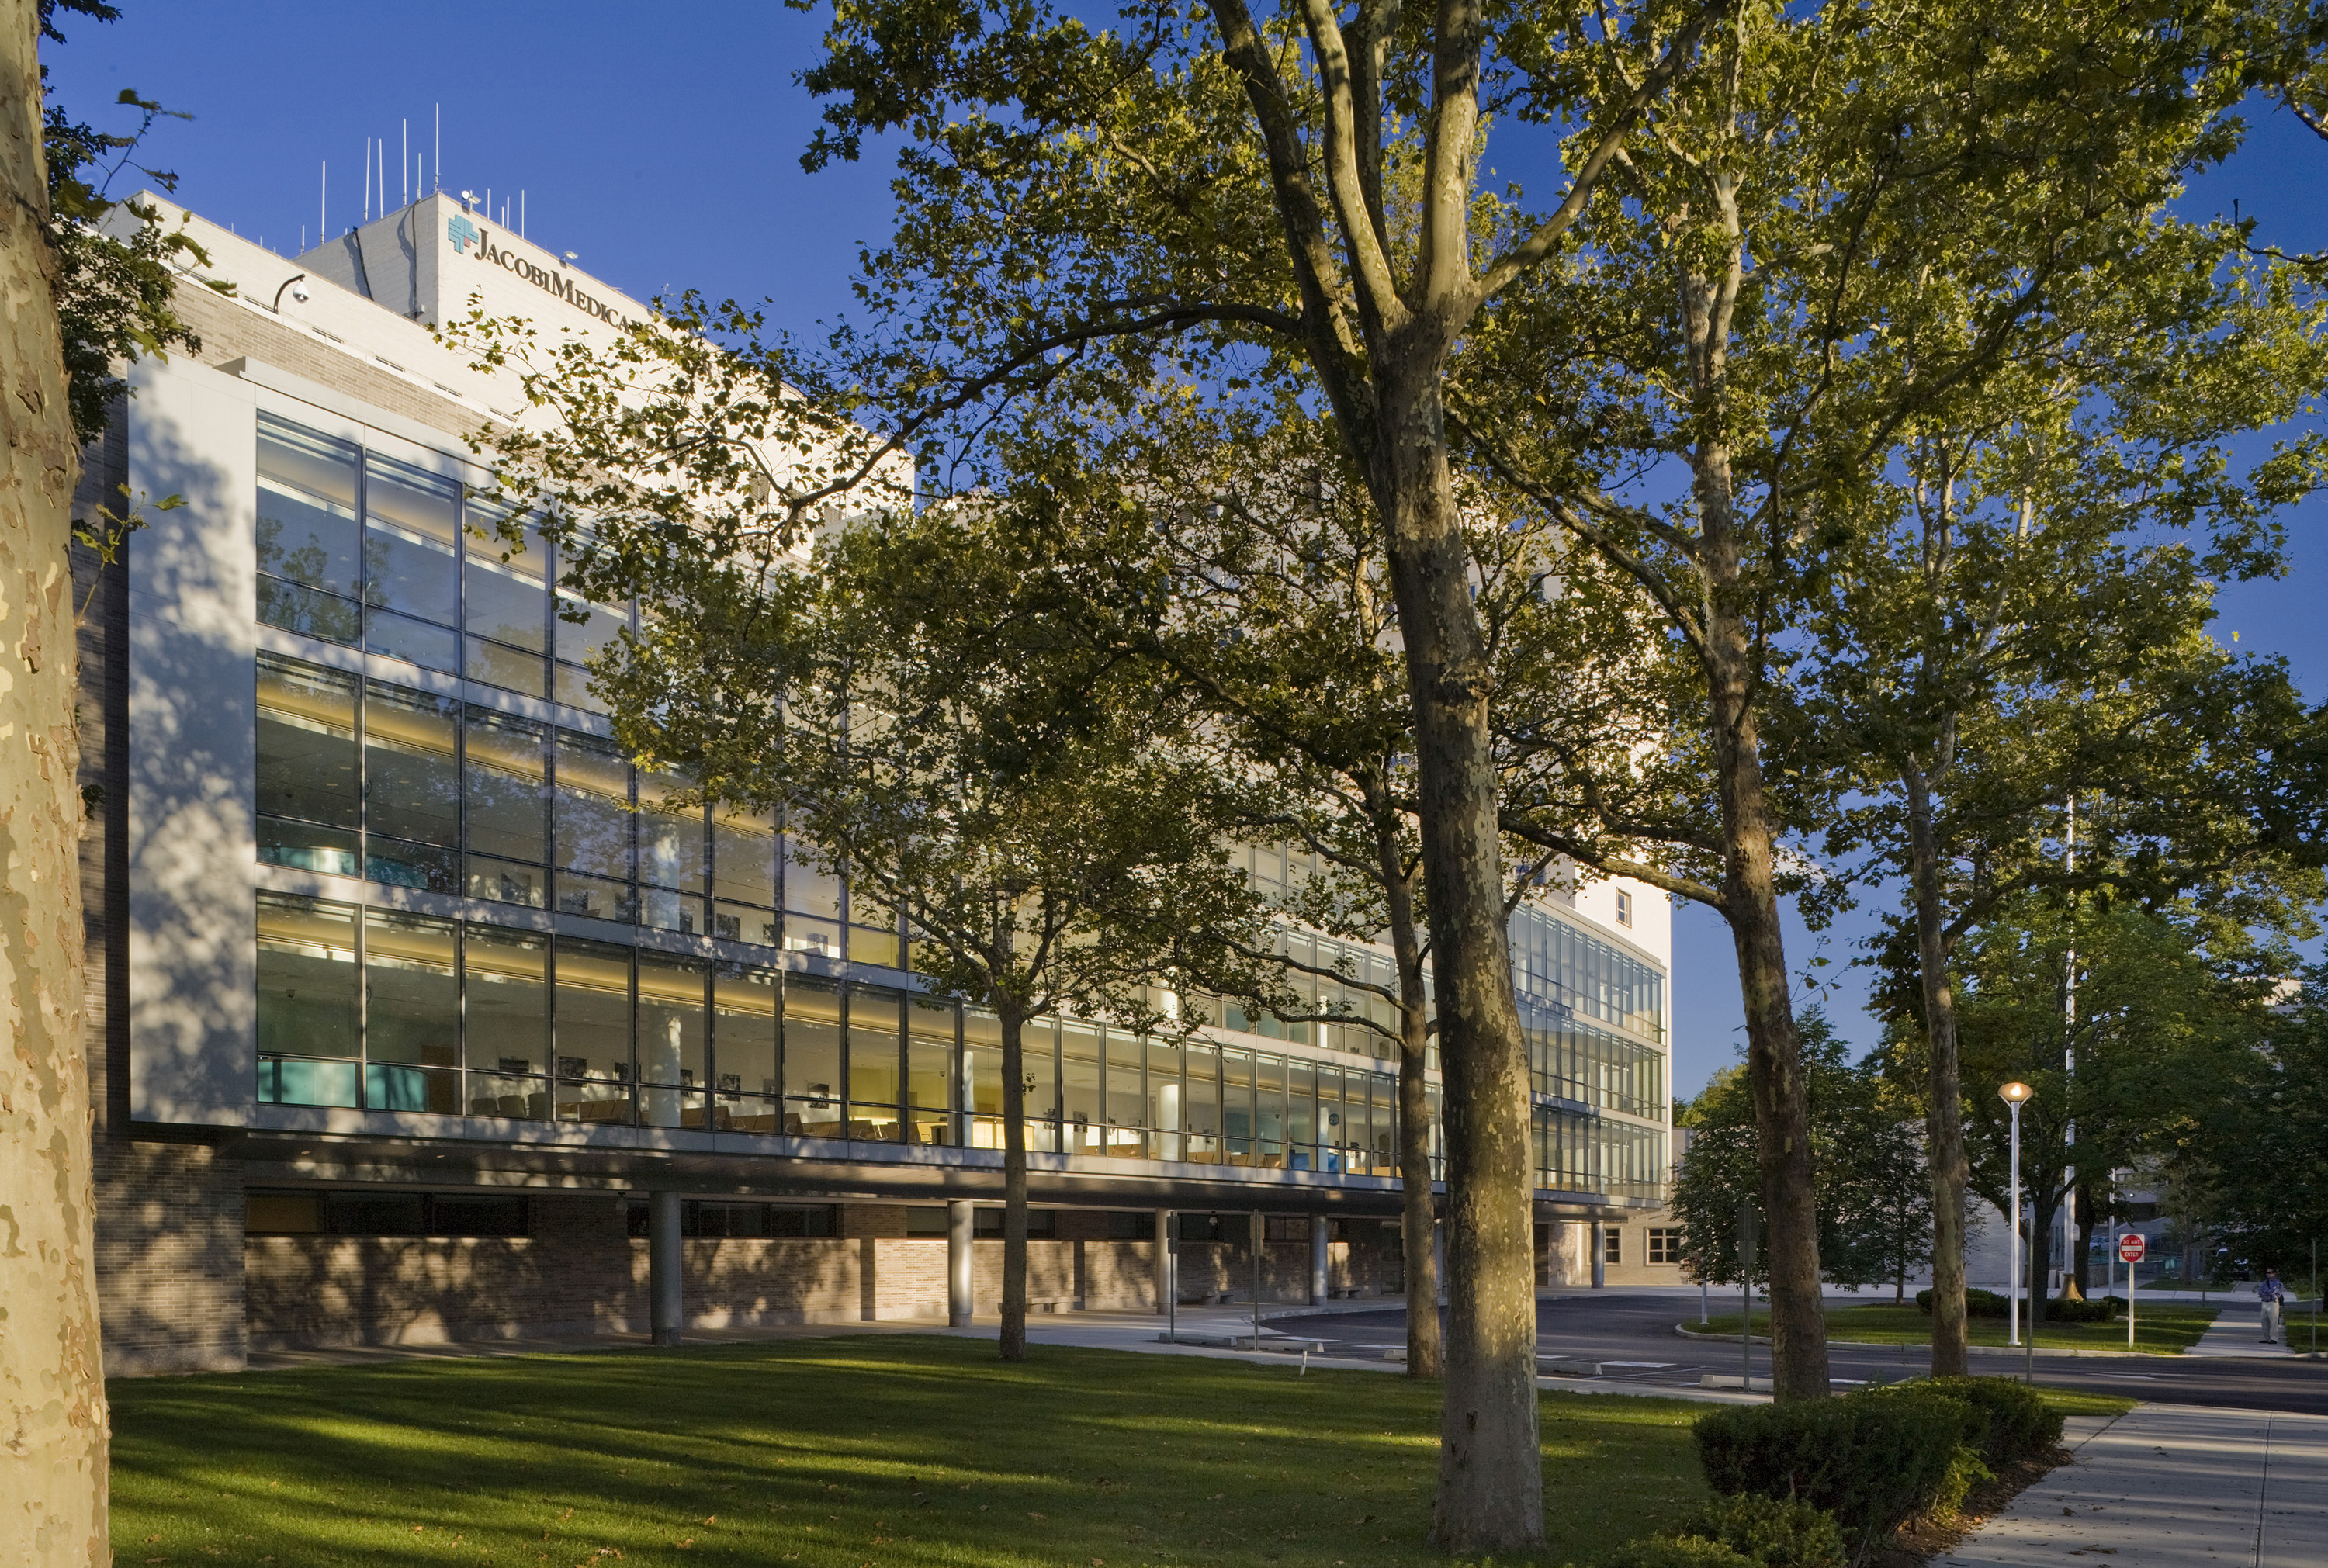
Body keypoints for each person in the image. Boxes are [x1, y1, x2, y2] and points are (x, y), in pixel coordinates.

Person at [2257, 1269, 2286, 1344]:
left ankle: (2274, 1338)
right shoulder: (2265, 1282)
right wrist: (2265, 1293)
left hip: (2273, 1302)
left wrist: (2265, 1292)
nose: (2268, 1274)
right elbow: (2260, 1291)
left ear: (2274, 1274)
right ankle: (2266, 1338)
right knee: (2264, 1320)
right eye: (2267, 1273)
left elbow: (2272, 1291)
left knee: (2273, 1321)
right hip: (2265, 1302)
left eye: (2270, 1273)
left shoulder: (2277, 1283)